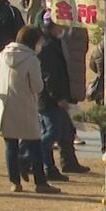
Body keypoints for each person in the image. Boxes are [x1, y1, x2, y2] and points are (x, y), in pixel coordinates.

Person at [0, 26, 60, 194]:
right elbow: (37, 86)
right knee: (34, 144)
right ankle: (40, 182)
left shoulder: (3, 54)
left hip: (6, 105)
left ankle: (15, 182)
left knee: (11, 145)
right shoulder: (31, 60)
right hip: (25, 104)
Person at [36, 12, 90, 179]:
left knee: (66, 130)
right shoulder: (47, 46)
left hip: (60, 94)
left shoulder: (55, 42)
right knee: (52, 133)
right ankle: (38, 163)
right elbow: (49, 76)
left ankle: (68, 163)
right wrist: (58, 97)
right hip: (52, 98)